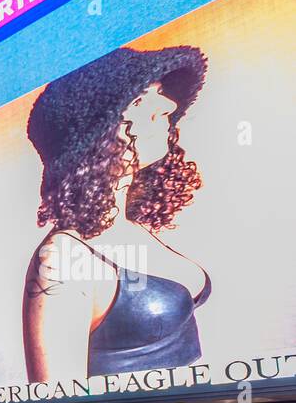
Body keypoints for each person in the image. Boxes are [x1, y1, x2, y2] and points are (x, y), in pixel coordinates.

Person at [22, 46, 209, 383]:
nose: (167, 105)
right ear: (101, 134)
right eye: (140, 100)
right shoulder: (64, 258)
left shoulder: (133, 229)